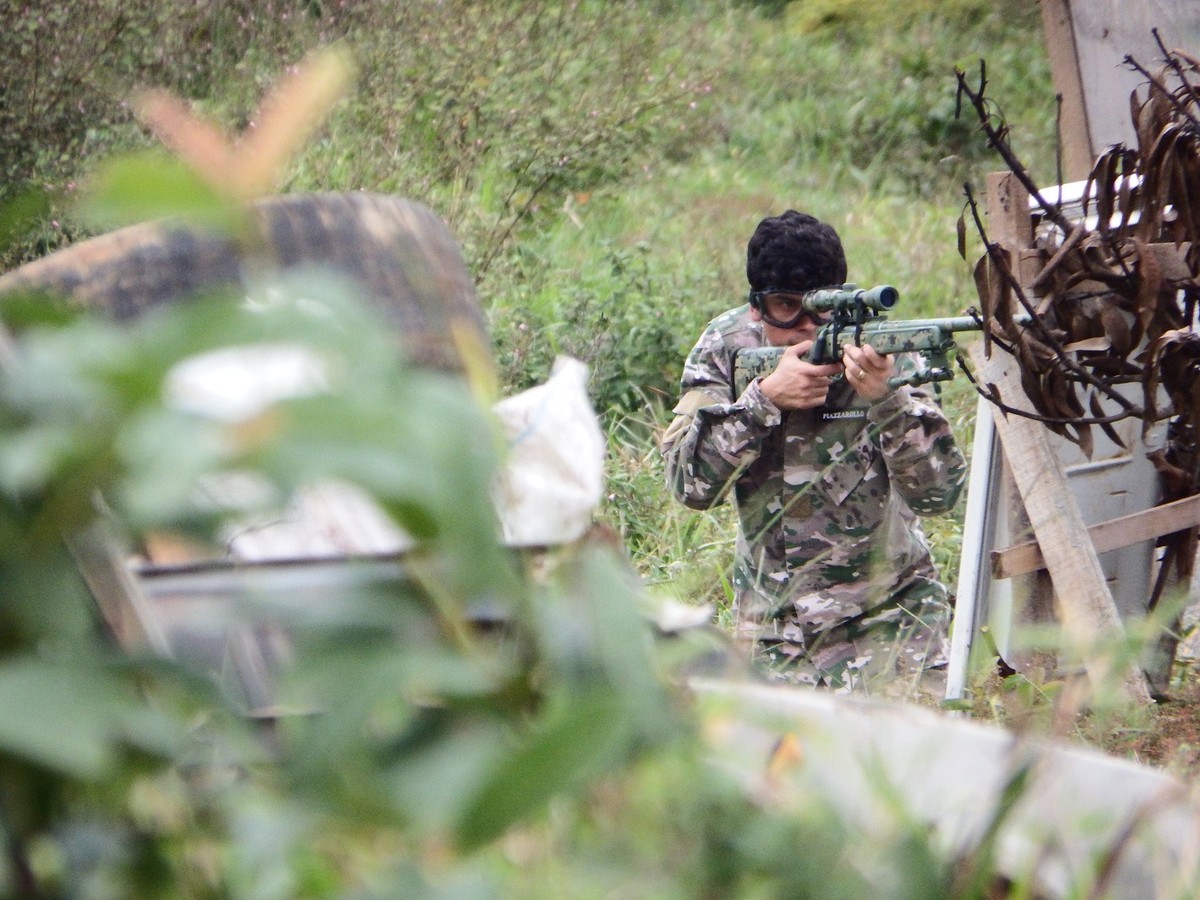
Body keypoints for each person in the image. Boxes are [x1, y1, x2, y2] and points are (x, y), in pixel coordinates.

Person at [660, 210, 967, 697]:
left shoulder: (882, 345)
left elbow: (940, 494)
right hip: (774, 631)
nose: (806, 328)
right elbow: (687, 486)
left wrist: (888, 401)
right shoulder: (727, 346)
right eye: (787, 308)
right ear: (757, 308)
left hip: (889, 617)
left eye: (820, 309)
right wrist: (763, 402)